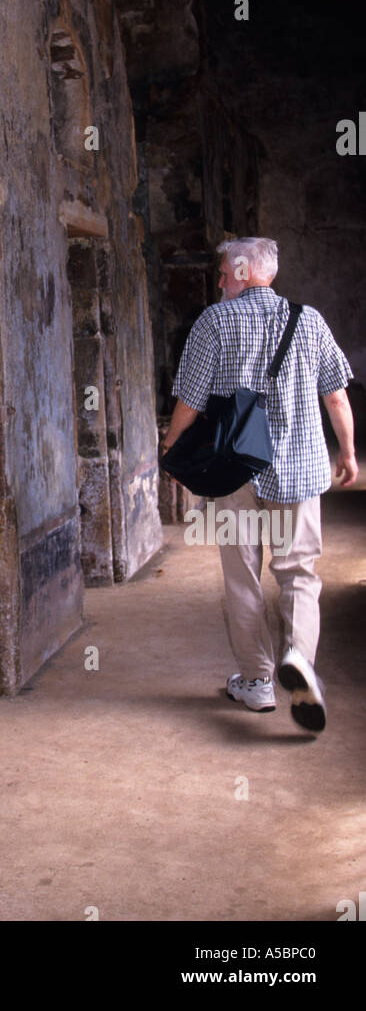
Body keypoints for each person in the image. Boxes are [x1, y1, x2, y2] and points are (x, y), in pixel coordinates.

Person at [161, 237, 357, 732]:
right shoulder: (309, 320)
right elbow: (336, 397)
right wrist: (349, 454)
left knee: (242, 576)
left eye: (225, 271)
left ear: (245, 271)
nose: (221, 279)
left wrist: (171, 441)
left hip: (234, 472)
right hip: (299, 469)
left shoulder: (213, 321)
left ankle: (258, 682)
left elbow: (190, 398)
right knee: (298, 573)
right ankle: (301, 664)